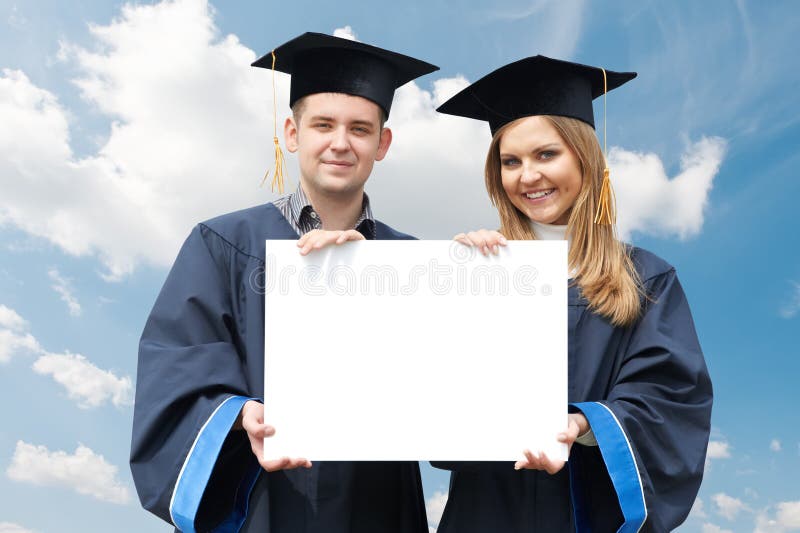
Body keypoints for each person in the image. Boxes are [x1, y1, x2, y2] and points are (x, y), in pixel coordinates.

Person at [130, 32, 438, 533]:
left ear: (382, 143)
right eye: (323, 125)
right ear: (292, 134)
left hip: (380, 502)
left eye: (361, 129)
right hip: (263, 500)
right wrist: (239, 414)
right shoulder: (223, 243)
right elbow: (176, 366)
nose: (341, 143)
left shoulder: (414, 260)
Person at [433, 55, 713, 531]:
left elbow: (669, 396)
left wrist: (585, 426)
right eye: (510, 161)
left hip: (588, 509)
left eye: (547, 154)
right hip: (486, 509)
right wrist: (453, 284)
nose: (528, 176)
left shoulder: (645, 278)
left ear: (584, 156)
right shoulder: (480, 269)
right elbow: (427, 387)